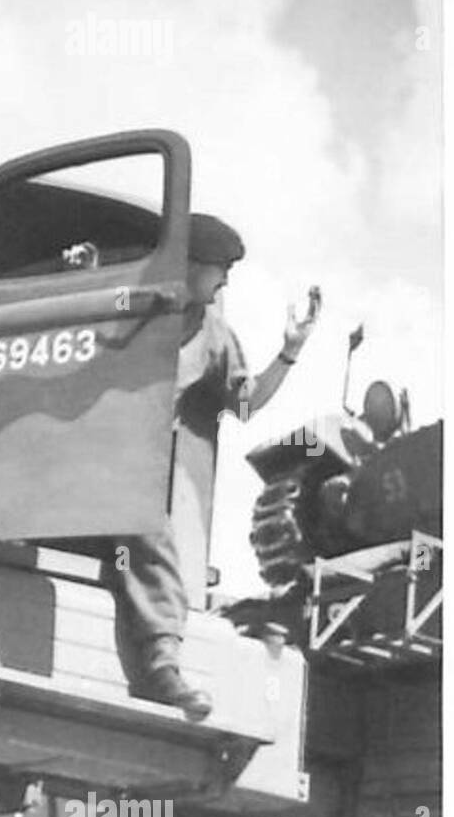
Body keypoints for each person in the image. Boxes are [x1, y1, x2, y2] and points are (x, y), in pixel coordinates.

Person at [112, 213, 322, 720]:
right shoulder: (128, 303)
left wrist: (290, 352)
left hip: (137, 472)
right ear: (189, 265)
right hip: (89, 450)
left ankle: (162, 664)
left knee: (150, 532)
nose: (225, 280)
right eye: (219, 268)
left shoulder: (212, 335)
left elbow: (245, 405)